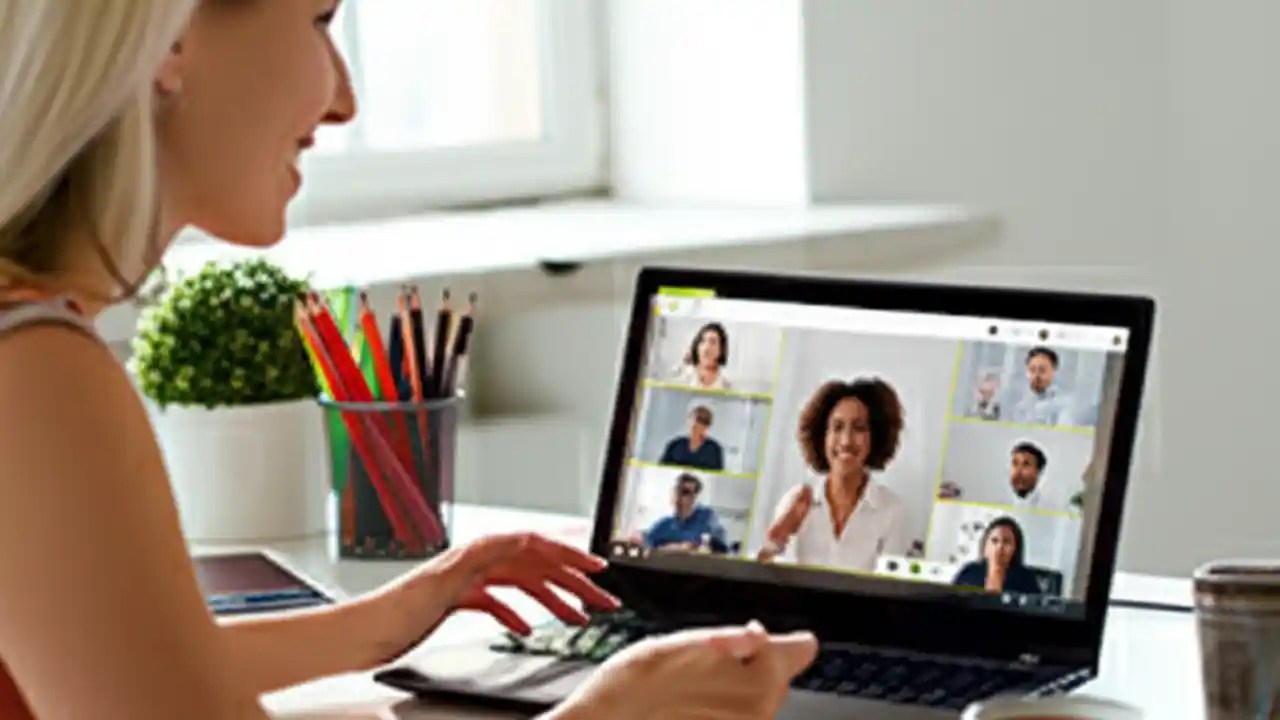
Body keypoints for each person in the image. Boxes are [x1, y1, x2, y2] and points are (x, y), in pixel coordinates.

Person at [0, 4, 817, 718]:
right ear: (170, 34)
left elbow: (121, 665)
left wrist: (385, 621)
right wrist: (619, 711)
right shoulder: (37, 375)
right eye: (320, 21)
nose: (346, 98)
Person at [757, 378, 909, 572]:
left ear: (876, 437)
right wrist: (781, 534)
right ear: (822, 436)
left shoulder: (892, 511)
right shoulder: (795, 500)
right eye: (837, 427)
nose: (846, 441)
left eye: (859, 428)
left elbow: (892, 590)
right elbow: (762, 580)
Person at [951, 517, 1043, 595]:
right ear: (985, 545)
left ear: (1015, 548)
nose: (999, 547)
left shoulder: (1026, 579)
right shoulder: (969, 571)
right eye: (994, 541)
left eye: (1006, 542)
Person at [642, 473, 729, 553]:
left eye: (685, 492)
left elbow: (721, 547)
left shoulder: (706, 519)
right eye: (677, 490)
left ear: (694, 498)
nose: (679, 495)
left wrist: (693, 546)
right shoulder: (664, 524)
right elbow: (646, 545)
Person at [1010, 347, 1076, 426]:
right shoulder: (1019, 401)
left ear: (1054, 372)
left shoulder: (1064, 403)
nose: (1036, 375)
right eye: (1032, 370)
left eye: (1042, 370)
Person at [660, 404, 725, 471]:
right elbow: (662, 469)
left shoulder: (714, 449)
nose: (695, 424)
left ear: (707, 426)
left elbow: (717, 473)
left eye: (700, 422)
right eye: (693, 419)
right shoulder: (674, 445)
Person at [673, 321, 733, 390]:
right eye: (702, 341)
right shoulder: (683, 377)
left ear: (721, 349)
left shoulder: (727, 384)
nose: (706, 347)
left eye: (712, 342)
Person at [1008, 441, 1052, 509]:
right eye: (1015, 463)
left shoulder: (1048, 509)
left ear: (1039, 472)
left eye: (1026, 464)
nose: (1018, 471)